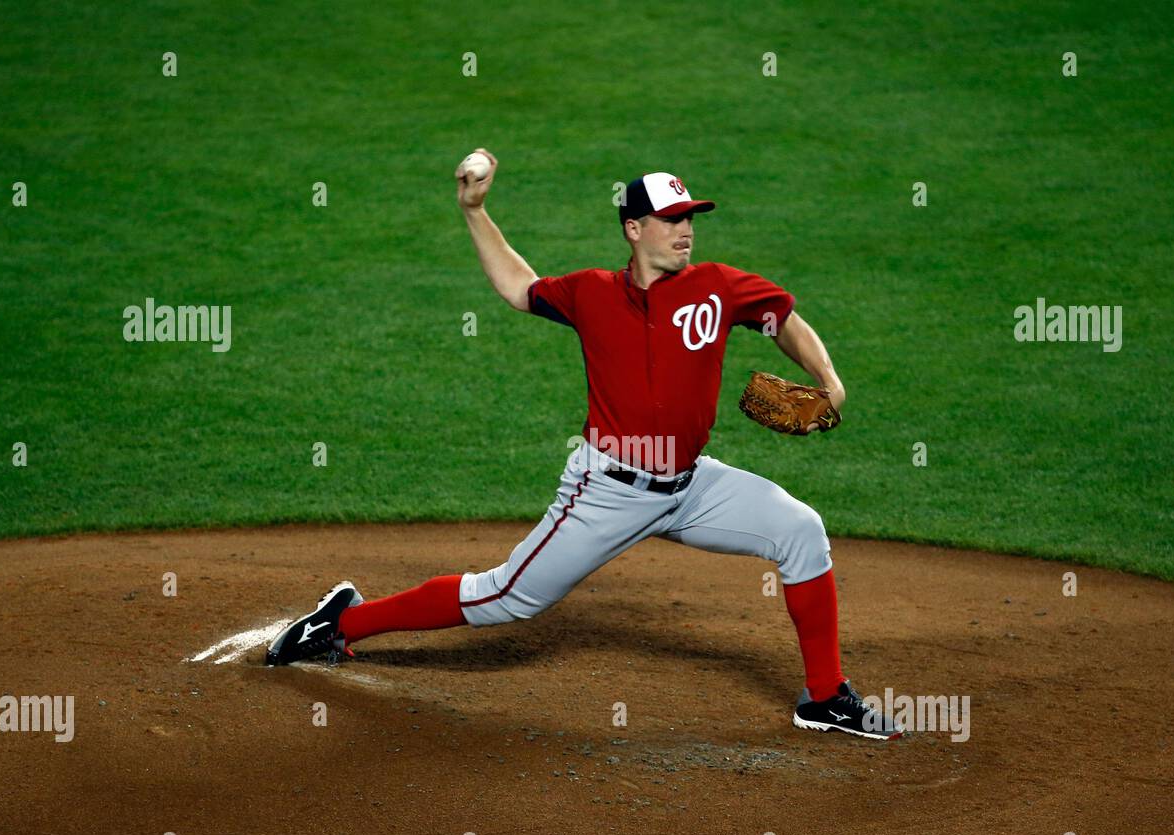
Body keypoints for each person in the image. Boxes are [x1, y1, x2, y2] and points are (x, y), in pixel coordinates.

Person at [266, 149, 902, 741]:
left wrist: (830, 381)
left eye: (690, 218)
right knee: (505, 597)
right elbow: (520, 287)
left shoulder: (719, 286)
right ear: (633, 228)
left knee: (801, 530)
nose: (685, 230)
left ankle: (825, 697)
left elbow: (783, 319)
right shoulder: (592, 293)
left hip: (693, 486)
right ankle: (341, 622)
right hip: (609, 490)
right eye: (670, 218)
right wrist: (475, 211)